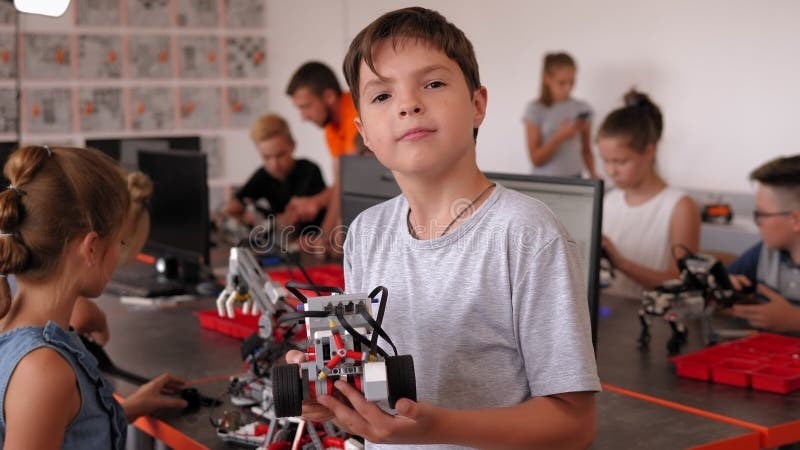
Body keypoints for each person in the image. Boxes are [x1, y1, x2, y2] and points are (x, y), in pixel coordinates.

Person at [286, 7, 599, 448]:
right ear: (365, 134)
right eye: (382, 96)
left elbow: (575, 424)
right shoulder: (366, 232)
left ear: (477, 105)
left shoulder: (527, 233)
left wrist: (438, 428)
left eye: (432, 84)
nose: (408, 104)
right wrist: (338, 394)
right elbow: (373, 373)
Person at [0, 146, 187, 449]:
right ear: (91, 248)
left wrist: (125, 410)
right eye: (120, 242)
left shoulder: (13, 317)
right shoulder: (43, 371)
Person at [598, 89, 700, 299]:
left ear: (649, 151)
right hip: (612, 310)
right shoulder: (609, 201)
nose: (611, 171)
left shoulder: (680, 207)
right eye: (605, 160)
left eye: (620, 161)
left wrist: (622, 264)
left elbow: (682, 284)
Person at [286, 62, 364, 254]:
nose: (303, 117)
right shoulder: (331, 129)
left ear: (329, 96)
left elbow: (348, 182)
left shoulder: (356, 112)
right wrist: (324, 235)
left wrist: (325, 236)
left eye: (306, 107)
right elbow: (341, 183)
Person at [727, 155, 800, 332]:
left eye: (761, 214)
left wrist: (795, 321)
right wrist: (725, 289)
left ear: (796, 220)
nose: (758, 222)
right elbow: (724, 284)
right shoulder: (765, 253)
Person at [223, 113, 327, 236]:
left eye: (280, 155)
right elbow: (233, 206)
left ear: (293, 145)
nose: (274, 164)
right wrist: (243, 215)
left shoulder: (309, 170)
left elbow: (292, 220)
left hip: (314, 238)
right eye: (266, 157)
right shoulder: (262, 175)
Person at [523, 52, 596, 178]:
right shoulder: (535, 110)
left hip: (576, 179)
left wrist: (593, 174)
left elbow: (587, 150)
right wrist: (560, 137)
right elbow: (536, 160)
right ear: (547, 78)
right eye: (562, 83)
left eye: (572, 82)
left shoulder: (582, 108)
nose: (568, 88)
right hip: (545, 181)